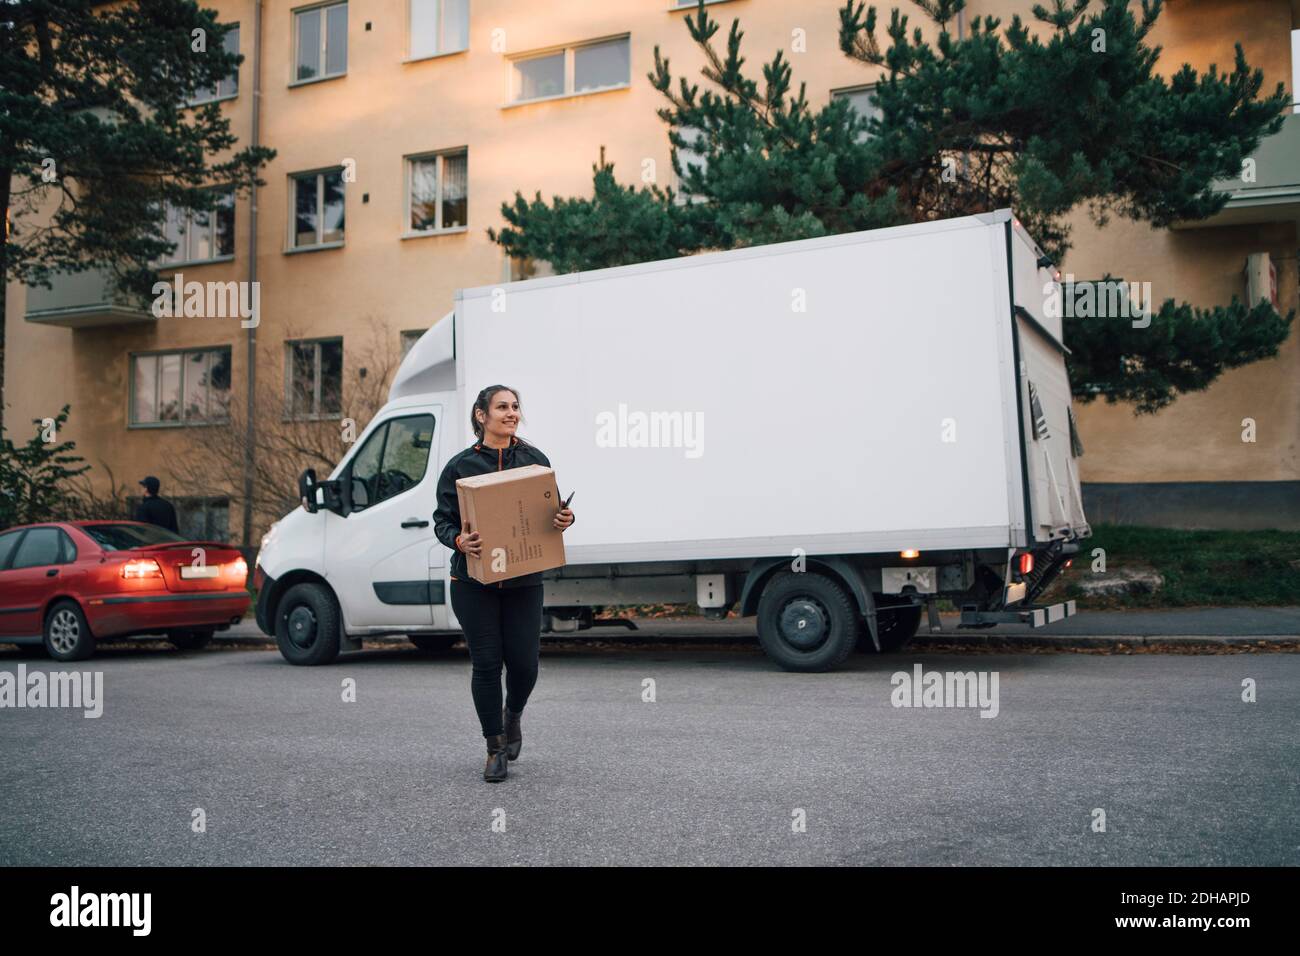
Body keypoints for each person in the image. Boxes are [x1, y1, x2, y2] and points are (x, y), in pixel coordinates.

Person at [433, 385, 575, 783]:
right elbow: (441, 521)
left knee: (525, 665)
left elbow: (551, 512)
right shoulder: (460, 467)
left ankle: (513, 716)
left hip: (523, 581)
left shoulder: (534, 460)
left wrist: (565, 518)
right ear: (482, 415)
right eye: (502, 407)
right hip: (472, 582)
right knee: (486, 664)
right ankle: (494, 747)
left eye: (515, 407)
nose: (511, 413)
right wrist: (458, 540)